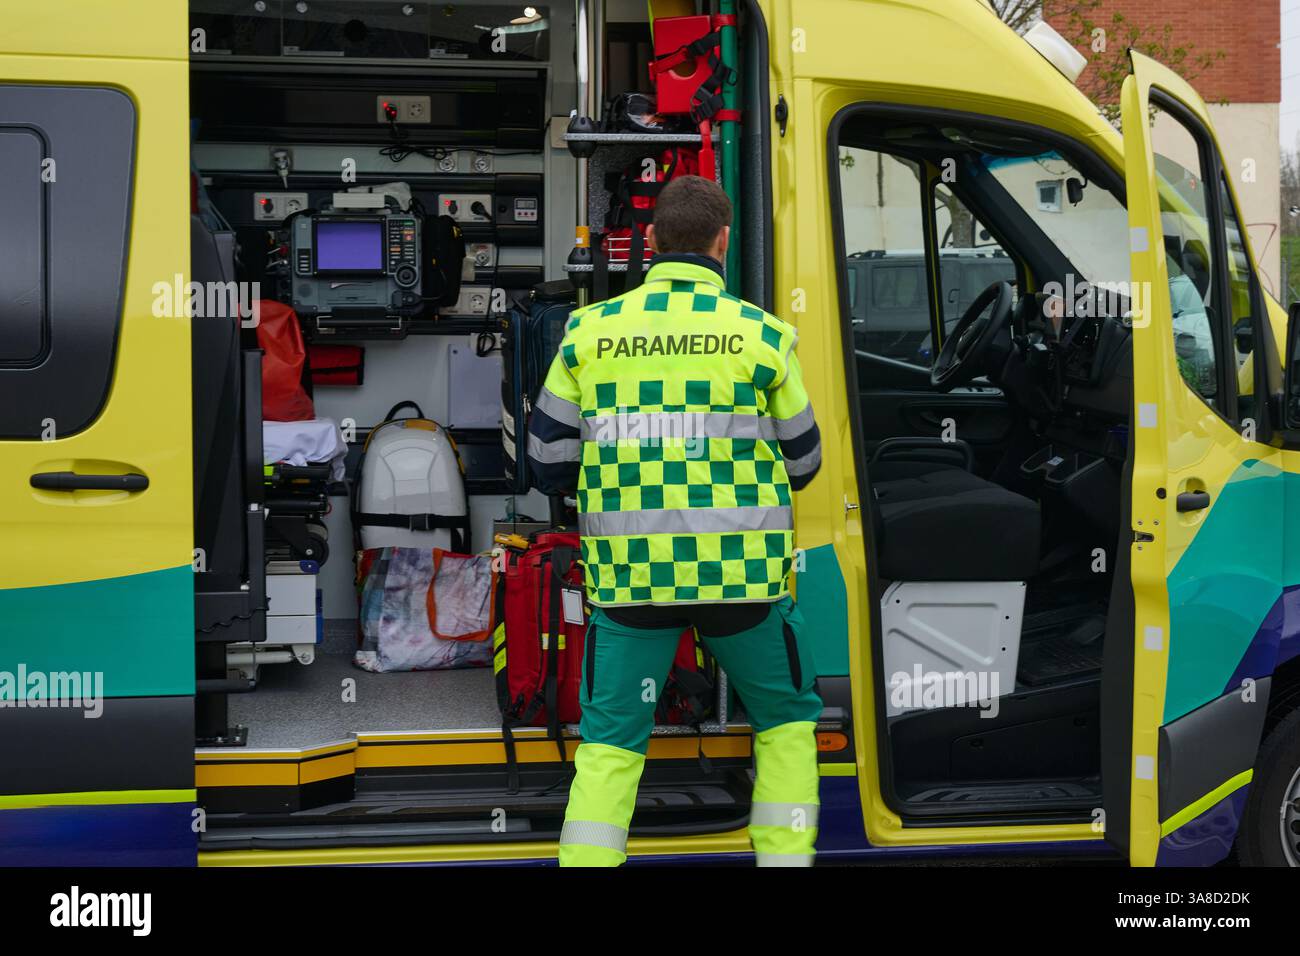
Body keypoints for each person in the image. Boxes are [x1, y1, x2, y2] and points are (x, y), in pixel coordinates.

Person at [526, 174, 824, 866]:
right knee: (786, 723)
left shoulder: (589, 332)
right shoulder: (764, 336)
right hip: (742, 585)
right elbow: (804, 462)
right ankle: (785, 858)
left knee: (608, 746)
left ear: (652, 241)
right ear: (723, 242)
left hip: (631, 583)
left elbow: (546, 461)